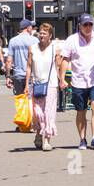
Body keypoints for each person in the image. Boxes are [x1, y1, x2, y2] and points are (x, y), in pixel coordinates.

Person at [60, 14, 94, 150]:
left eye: (90, 24)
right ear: (80, 26)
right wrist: (62, 78)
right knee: (81, 111)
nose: (88, 27)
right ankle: (82, 139)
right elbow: (65, 60)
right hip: (78, 81)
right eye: (85, 25)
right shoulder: (72, 40)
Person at [29, 22, 65, 150]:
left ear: (50, 35)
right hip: (37, 83)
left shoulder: (55, 48)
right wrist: (27, 83)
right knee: (38, 113)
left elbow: (59, 65)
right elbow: (29, 67)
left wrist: (62, 80)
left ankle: (46, 140)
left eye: (44, 33)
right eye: (40, 32)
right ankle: (39, 132)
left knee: (48, 112)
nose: (41, 35)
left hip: (51, 84)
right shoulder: (32, 48)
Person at [7, 19, 36, 96]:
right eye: (32, 27)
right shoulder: (35, 40)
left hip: (18, 75)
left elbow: (9, 60)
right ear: (28, 28)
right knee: (30, 100)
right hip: (31, 75)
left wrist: (8, 76)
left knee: (20, 101)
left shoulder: (13, 41)